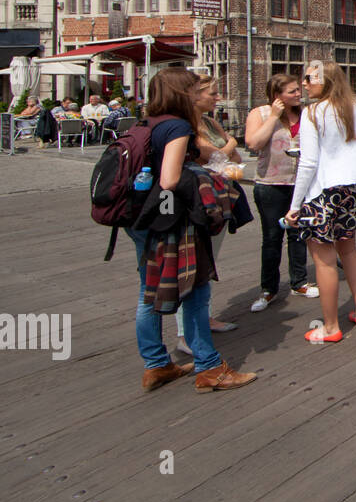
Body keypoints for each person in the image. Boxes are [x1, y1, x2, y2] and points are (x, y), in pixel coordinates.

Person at [130, 66, 255, 392]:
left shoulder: (150, 123)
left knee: (149, 293)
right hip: (175, 220)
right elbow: (170, 179)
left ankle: (156, 364)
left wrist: (218, 154)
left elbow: (208, 157)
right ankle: (210, 368)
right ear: (181, 93)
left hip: (146, 218)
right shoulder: (178, 127)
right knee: (196, 291)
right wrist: (207, 179)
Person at [285, 61, 356, 343]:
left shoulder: (313, 112)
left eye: (309, 79)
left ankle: (330, 327)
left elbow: (309, 162)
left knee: (324, 261)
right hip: (351, 188)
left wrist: (295, 203)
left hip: (323, 191)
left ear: (324, 81)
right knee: (348, 250)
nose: (304, 84)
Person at [165, 74, 241, 355]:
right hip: (196, 200)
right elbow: (214, 153)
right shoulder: (185, 127)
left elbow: (234, 157)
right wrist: (229, 144)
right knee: (190, 266)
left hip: (218, 197)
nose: (217, 98)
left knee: (208, 261)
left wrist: (226, 149)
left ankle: (204, 318)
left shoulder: (209, 122)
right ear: (194, 96)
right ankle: (185, 333)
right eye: (212, 93)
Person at [245, 73, 313, 311]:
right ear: (277, 96)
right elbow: (253, 144)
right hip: (270, 183)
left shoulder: (306, 115)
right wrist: (274, 116)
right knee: (272, 237)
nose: (298, 94)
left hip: (300, 184)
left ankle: (299, 281)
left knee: (298, 235)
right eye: (292, 91)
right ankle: (268, 289)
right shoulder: (260, 114)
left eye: (298, 90)